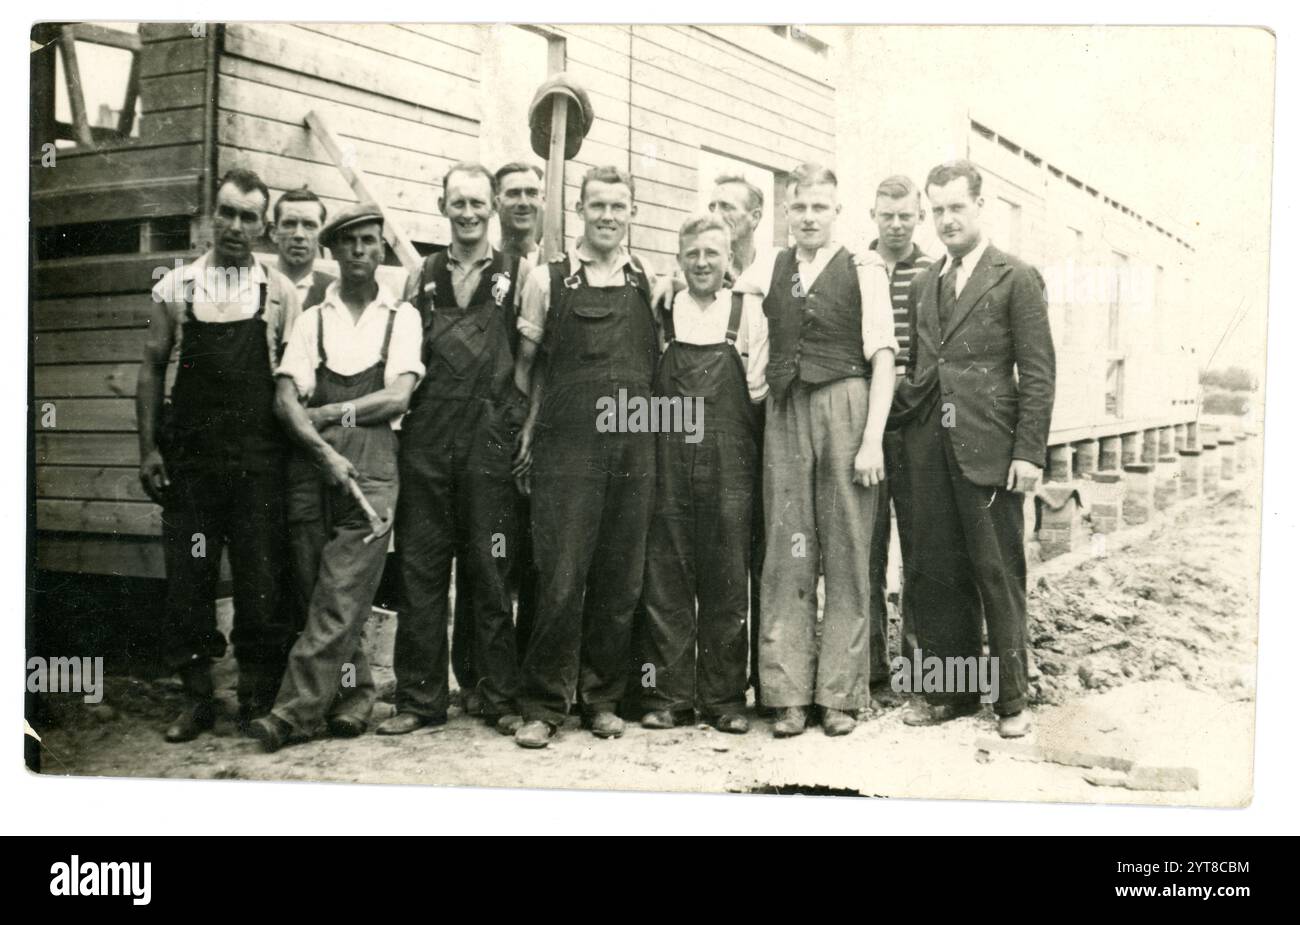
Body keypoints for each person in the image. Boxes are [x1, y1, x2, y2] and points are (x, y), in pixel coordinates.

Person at [249, 204, 423, 752]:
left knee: (340, 594)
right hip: (312, 465)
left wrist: (331, 414)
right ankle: (352, 698)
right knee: (316, 592)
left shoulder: (403, 317)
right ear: (334, 252)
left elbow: (397, 396)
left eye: (370, 242)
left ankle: (292, 714)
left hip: (372, 470)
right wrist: (319, 443)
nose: (359, 252)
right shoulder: (311, 320)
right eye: (348, 244)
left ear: (381, 250)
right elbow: (284, 399)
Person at [138, 168, 301, 742]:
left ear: (263, 227)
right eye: (227, 213)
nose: (235, 226)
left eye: (248, 217)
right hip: (192, 464)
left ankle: (256, 696)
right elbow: (153, 368)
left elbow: (292, 380)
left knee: (261, 580)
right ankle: (197, 699)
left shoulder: (279, 291)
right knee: (189, 579)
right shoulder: (175, 287)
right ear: (212, 216)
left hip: (259, 464)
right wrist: (149, 449)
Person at [894, 160, 1055, 738]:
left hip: (990, 450)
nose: (945, 219)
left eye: (956, 207)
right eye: (936, 210)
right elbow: (919, 369)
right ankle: (949, 693)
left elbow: (1037, 373)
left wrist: (1028, 452)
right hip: (930, 450)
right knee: (936, 571)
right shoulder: (923, 281)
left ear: (980, 206)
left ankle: (1011, 700)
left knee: (997, 572)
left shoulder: (1015, 276)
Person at [510, 165, 661, 748]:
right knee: (561, 574)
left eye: (618, 206)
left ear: (632, 214)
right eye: (597, 205)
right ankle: (545, 704)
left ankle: (601, 699)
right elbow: (527, 369)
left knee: (619, 576)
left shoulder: (648, 280)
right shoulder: (549, 280)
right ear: (579, 209)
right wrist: (534, 429)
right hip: (568, 447)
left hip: (634, 444)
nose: (607, 216)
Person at [746, 163, 897, 737]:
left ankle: (839, 694)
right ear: (787, 211)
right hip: (786, 409)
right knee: (788, 549)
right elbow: (748, 330)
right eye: (799, 207)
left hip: (845, 404)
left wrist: (872, 439)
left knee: (846, 550)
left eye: (820, 207)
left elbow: (883, 356)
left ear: (837, 213)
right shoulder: (770, 266)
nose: (808, 217)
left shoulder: (864, 269)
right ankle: (785, 693)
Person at [380, 163, 529, 737]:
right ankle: (420, 699)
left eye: (477, 203)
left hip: (489, 441)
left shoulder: (520, 275)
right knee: (420, 568)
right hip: (428, 439)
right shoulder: (421, 277)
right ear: (442, 207)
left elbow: (531, 363)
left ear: (492, 206)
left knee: (490, 569)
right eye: (457, 203)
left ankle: (495, 694)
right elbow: (401, 360)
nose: (468, 213)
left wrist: (521, 429)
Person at [638, 214, 767, 734]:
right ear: (679, 259)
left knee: (727, 578)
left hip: (729, 461)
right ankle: (669, 697)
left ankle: (725, 699)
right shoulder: (662, 310)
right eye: (692, 254)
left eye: (712, 253)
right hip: (669, 458)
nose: (702, 263)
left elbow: (758, 394)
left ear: (730, 260)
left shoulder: (749, 314)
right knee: (666, 576)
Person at [448, 161, 546, 711]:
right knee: (483, 554)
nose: (523, 202)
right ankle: (477, 679)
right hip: (480, 433)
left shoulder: (553, 266)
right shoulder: (484, 267)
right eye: (512, 193)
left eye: (533, 192)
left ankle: (522, 677)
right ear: (496, 203)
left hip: (531, 430)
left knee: (530, 558)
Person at [706, 174, 775, 709]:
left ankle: (770, 682)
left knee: (768, 558)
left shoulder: (772, 271)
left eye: (729, 207)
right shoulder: (702, 272)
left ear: (755, 216)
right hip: (717, 437)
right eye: (712, 205)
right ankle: (722, 683)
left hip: (767, 423)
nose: (718, 213)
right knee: (722, 558)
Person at [865, 175, 933, 692]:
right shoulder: (853, 269)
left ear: (919, 217)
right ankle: (870, 670)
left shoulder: (933, 272)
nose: (895, 225)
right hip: (863, 423)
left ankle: (915, 669)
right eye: (887, 215)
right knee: (864, 547)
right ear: (873, 214)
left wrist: (910, 392)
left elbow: (936, 350)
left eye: (905, 216)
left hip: (913, 424)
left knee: (919, 545)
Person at [270, 187, 335, 309]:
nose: (299, 234)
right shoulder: (256, 285)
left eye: (309, 225)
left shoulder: (335, 291)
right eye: (289, 224)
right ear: (274, 233)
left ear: (322, 235)